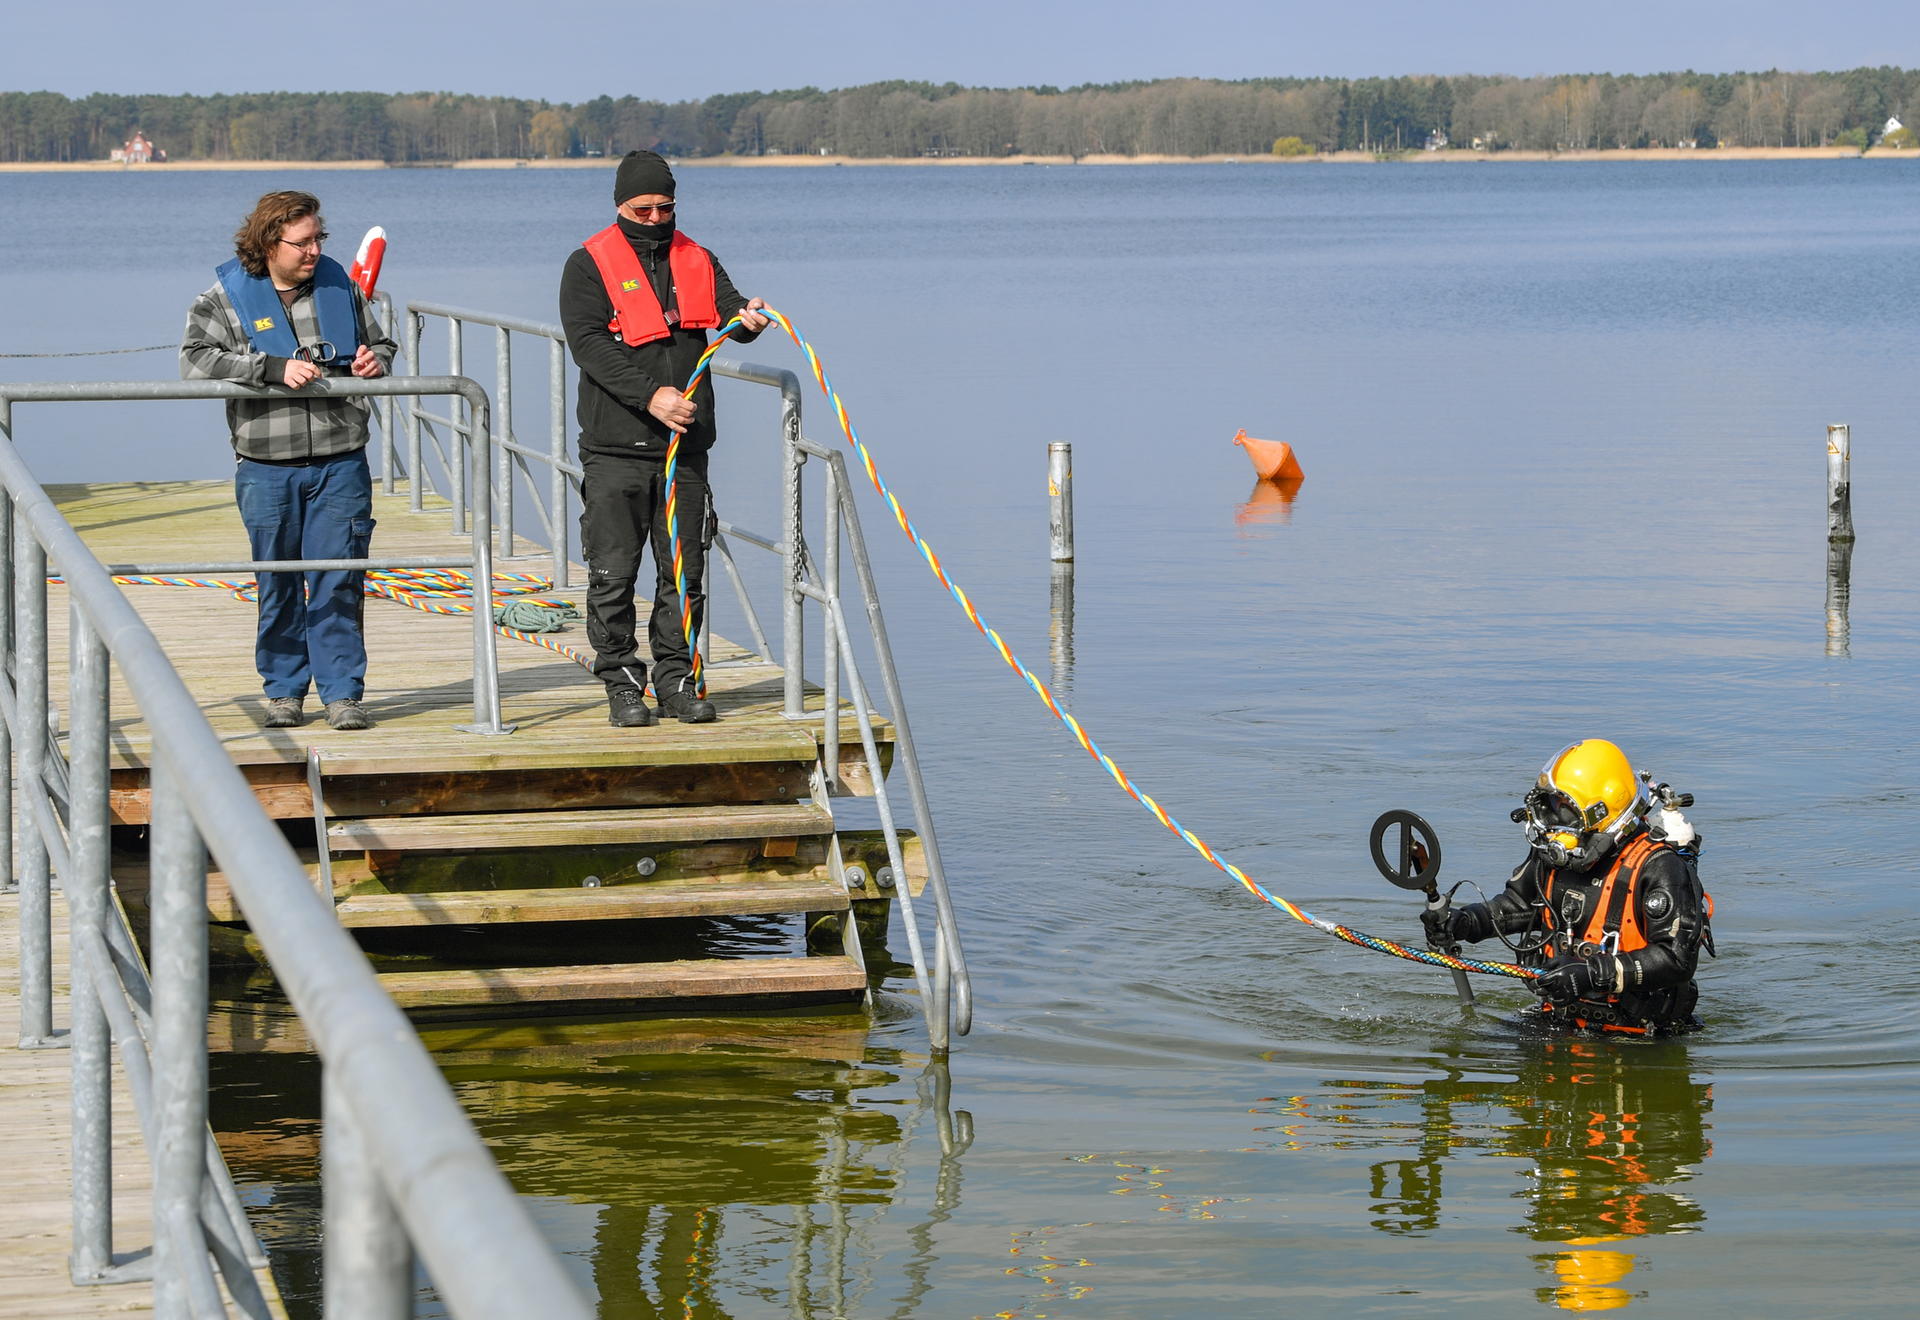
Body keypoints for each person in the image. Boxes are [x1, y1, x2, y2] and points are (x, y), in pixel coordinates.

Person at [559, 150, 769, 727]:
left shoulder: (697, 256)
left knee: (685, 574)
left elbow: (728, 310)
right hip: (614, 450)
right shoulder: (587, 265)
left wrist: (747, 318)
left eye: (664, 207)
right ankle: (624, 684)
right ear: (620, 205)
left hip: (686, 452)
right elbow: (588, 344)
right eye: (642, 208)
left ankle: (678, 680)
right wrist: (651, 395)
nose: (654, 217)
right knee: (613, 574)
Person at [181, 190, 396, 731]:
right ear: (268, 242)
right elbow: (196, 360)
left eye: (319, 238)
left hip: (340, 462)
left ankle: (343, 695)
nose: (314, 251)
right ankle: (283, 691)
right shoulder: (224, 297)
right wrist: (269, 368)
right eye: (303, 242)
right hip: (265, 466)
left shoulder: (339, 285)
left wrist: (375, 360)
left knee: (338, 578)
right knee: (277, 581)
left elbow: (383, 342)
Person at [1423, 739, 1713, 1034]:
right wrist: (1466, 922)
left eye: (1565, 809)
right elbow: (1519, 906)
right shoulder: (1554, 854)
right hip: (1559, 1017)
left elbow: (1676, 959)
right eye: (1549, 807)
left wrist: (1593, 973)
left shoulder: (1660, 867)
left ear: (1603, 811)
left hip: (1639, 1034)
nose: (1554, 823)